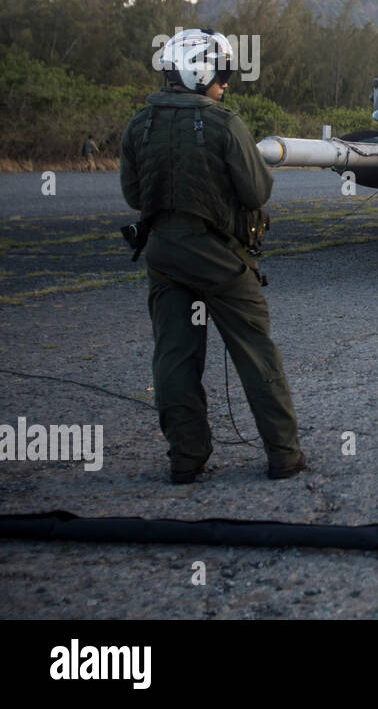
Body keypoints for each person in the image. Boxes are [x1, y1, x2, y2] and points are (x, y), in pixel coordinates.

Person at [120, 28, 306, 484]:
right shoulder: (225, 124)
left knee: (174, 357)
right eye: (222, 73)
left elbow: (132, 195)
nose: (226, 83)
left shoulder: (138, 125)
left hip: (163, 255)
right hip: (220, 259)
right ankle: (284, 456)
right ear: (198, 71)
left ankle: (185, 459)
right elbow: (258, 189)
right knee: (256, 353)